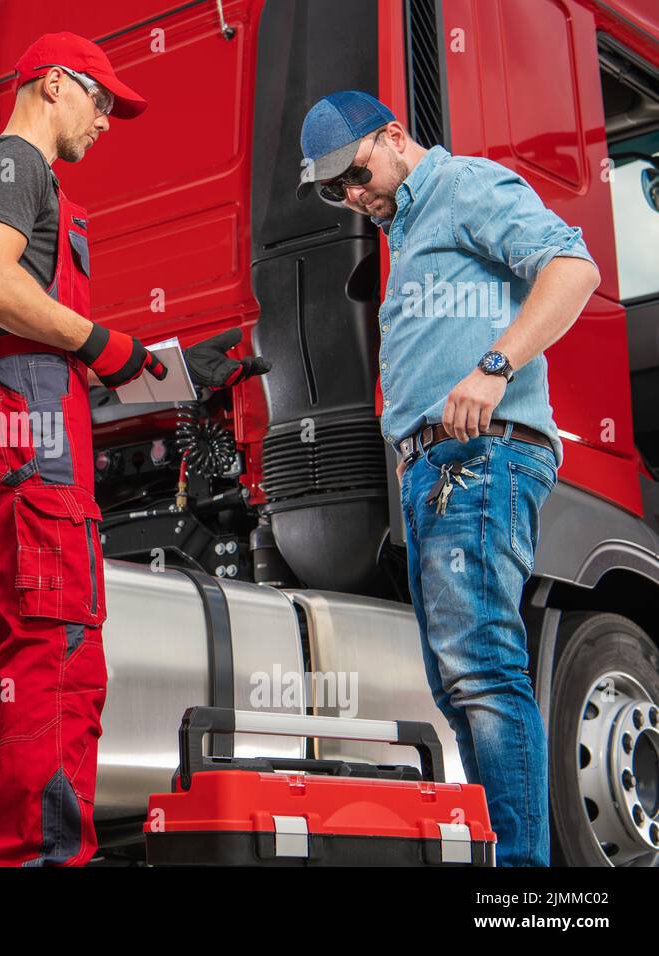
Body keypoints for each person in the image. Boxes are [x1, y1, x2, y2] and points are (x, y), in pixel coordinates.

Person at [0, 31, 264, 866]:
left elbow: (27, 330)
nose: (107, 120)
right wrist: (107, 344)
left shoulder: (8, 174)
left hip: (7, 415)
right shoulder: (15, 165)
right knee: (58, 650)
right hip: (31, 423)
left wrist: (151, 366)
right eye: (101, 99)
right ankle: (38, 857)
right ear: (51, 84)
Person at [296, 90, 601, 866]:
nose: (353, 197)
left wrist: (494, 367)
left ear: (394, 136)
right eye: (335, 190)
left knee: (485, 674)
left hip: (482, 458)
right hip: (439, 471)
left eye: (356, 174)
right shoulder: (407, 228)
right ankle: (511, 863)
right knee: (460, 684)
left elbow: (572, 267)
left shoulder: (465, 186)